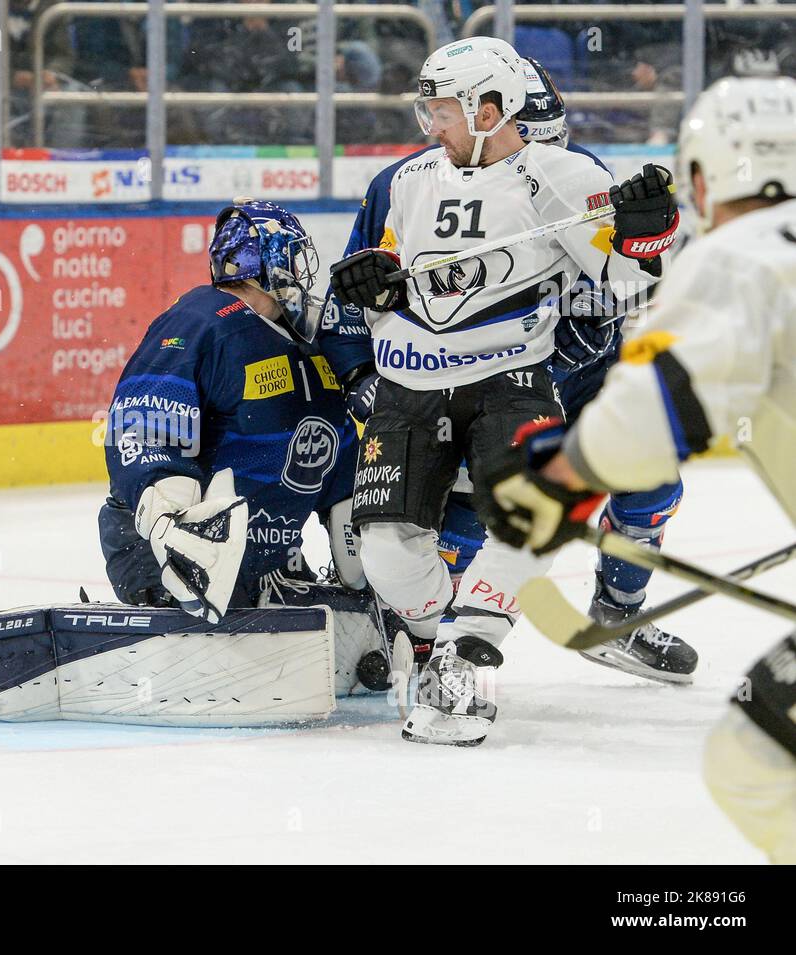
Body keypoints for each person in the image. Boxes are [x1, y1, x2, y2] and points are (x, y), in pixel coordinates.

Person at [479, 75, 796, 863]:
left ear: (703, 174)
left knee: (752, 761)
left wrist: (558, 480)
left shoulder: (739, 259)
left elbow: (658, 406)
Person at [327, 37, 679, 745]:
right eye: (429, 110)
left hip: (517, 379)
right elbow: (382, 282)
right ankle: (434, 631)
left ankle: (481, 645)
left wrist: (649, 234)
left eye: (444, 109)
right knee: (391, 553)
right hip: (414, 389)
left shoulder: (563, 176)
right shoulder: (407, 181)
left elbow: (633, 283)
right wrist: (371, 285)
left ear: (493, 109)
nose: (432, 123)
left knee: (548, 504)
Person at [99, 199, 382, 695]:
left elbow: (332, 458)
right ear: (269, 265)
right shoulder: (202, 320)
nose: (300, 275)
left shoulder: (311, 345)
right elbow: (145, 427)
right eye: (292, 259)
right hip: (158, 557)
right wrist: (176, 532)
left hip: (264, 570)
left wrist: (366, 553)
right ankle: (174, 587)